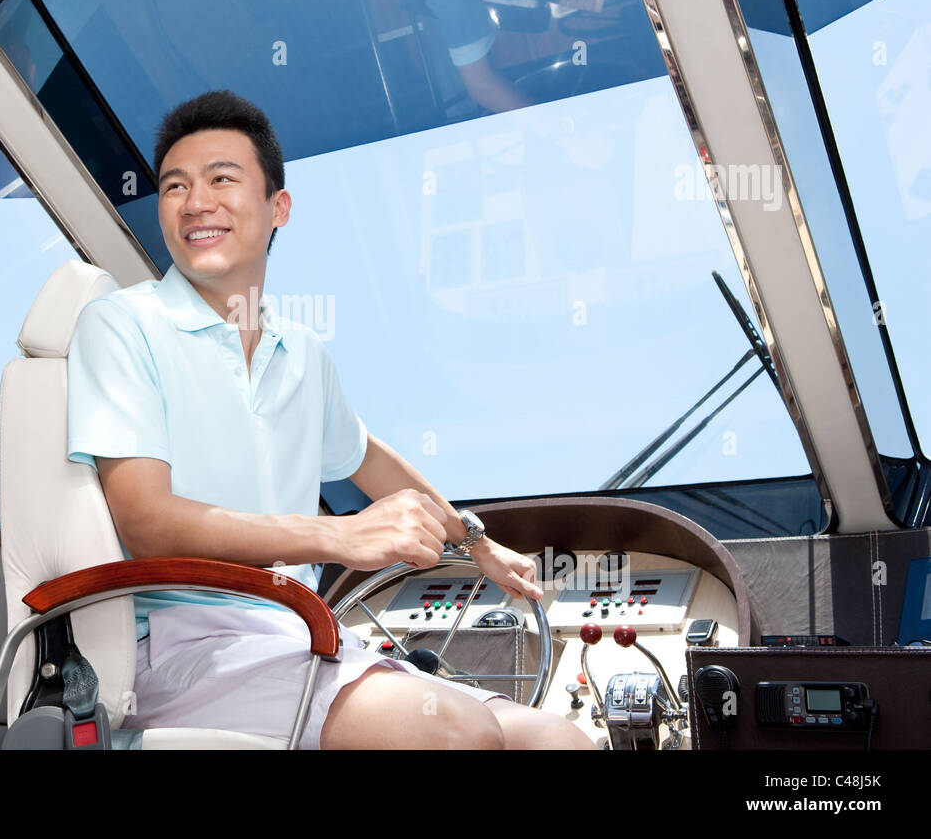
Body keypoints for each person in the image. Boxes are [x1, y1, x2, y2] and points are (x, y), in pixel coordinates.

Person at [66, 89, 596, 749]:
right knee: (455, 732)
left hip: (303, 639)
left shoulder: (301, 353)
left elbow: (369, 461)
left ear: (277, 207)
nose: (195, 202)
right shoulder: (122, 325)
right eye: (175, 186)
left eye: (222, 179)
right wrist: (337, 537)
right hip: (186, 648)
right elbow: (146, 522)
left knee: (558, 740)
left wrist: (474, 541)